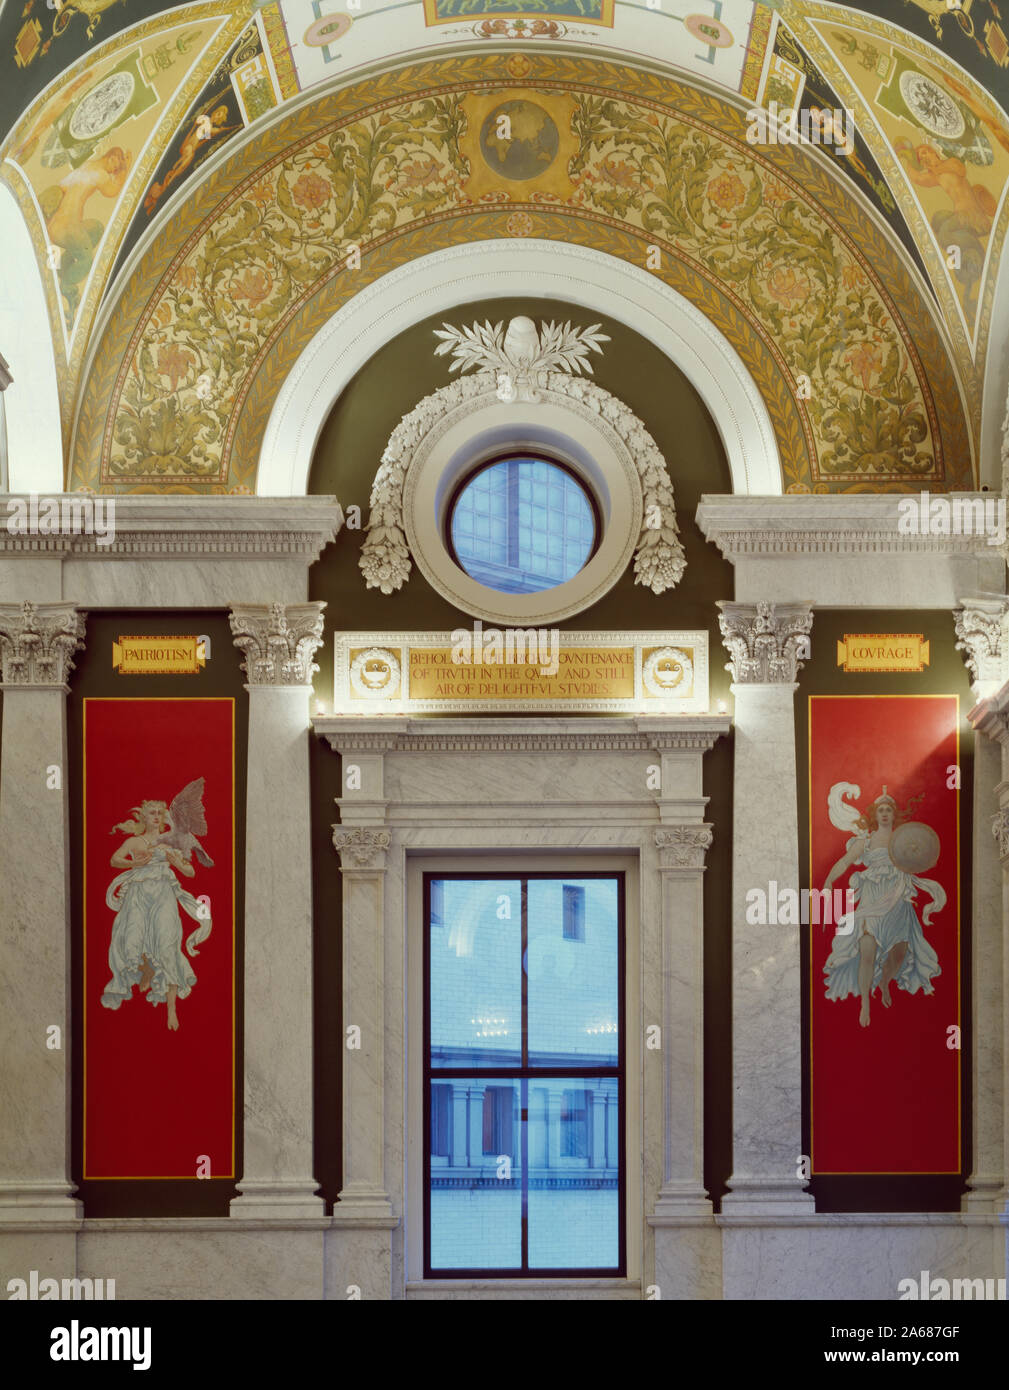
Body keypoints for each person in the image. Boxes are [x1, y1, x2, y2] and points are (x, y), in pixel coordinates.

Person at [821, 787, 942, 1028]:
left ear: (893, 815)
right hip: (872, 899)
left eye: (888, 810)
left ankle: (885, 981)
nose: (885, 814)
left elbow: (919, 859)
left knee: (899, 953)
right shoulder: (865, 841)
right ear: (875, 815)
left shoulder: (904, 838)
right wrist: (829, 880)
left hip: (897, 899)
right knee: (868, 950)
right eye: (881, 810)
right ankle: (865, 1001)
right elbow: (845, 861)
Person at [103, 798, 207, 1031]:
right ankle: (147, 969)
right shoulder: (134, 841)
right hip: (138, 895)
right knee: (131, 939)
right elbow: (114, 859)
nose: (157, 817)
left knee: (168, 945)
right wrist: (135, 864)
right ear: (143, 817)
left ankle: (171, 1009)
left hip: (163, 895)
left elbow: (189, 872)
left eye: (160, 813)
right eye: (152, 813)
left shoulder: (171, 841)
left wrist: (176, 863)